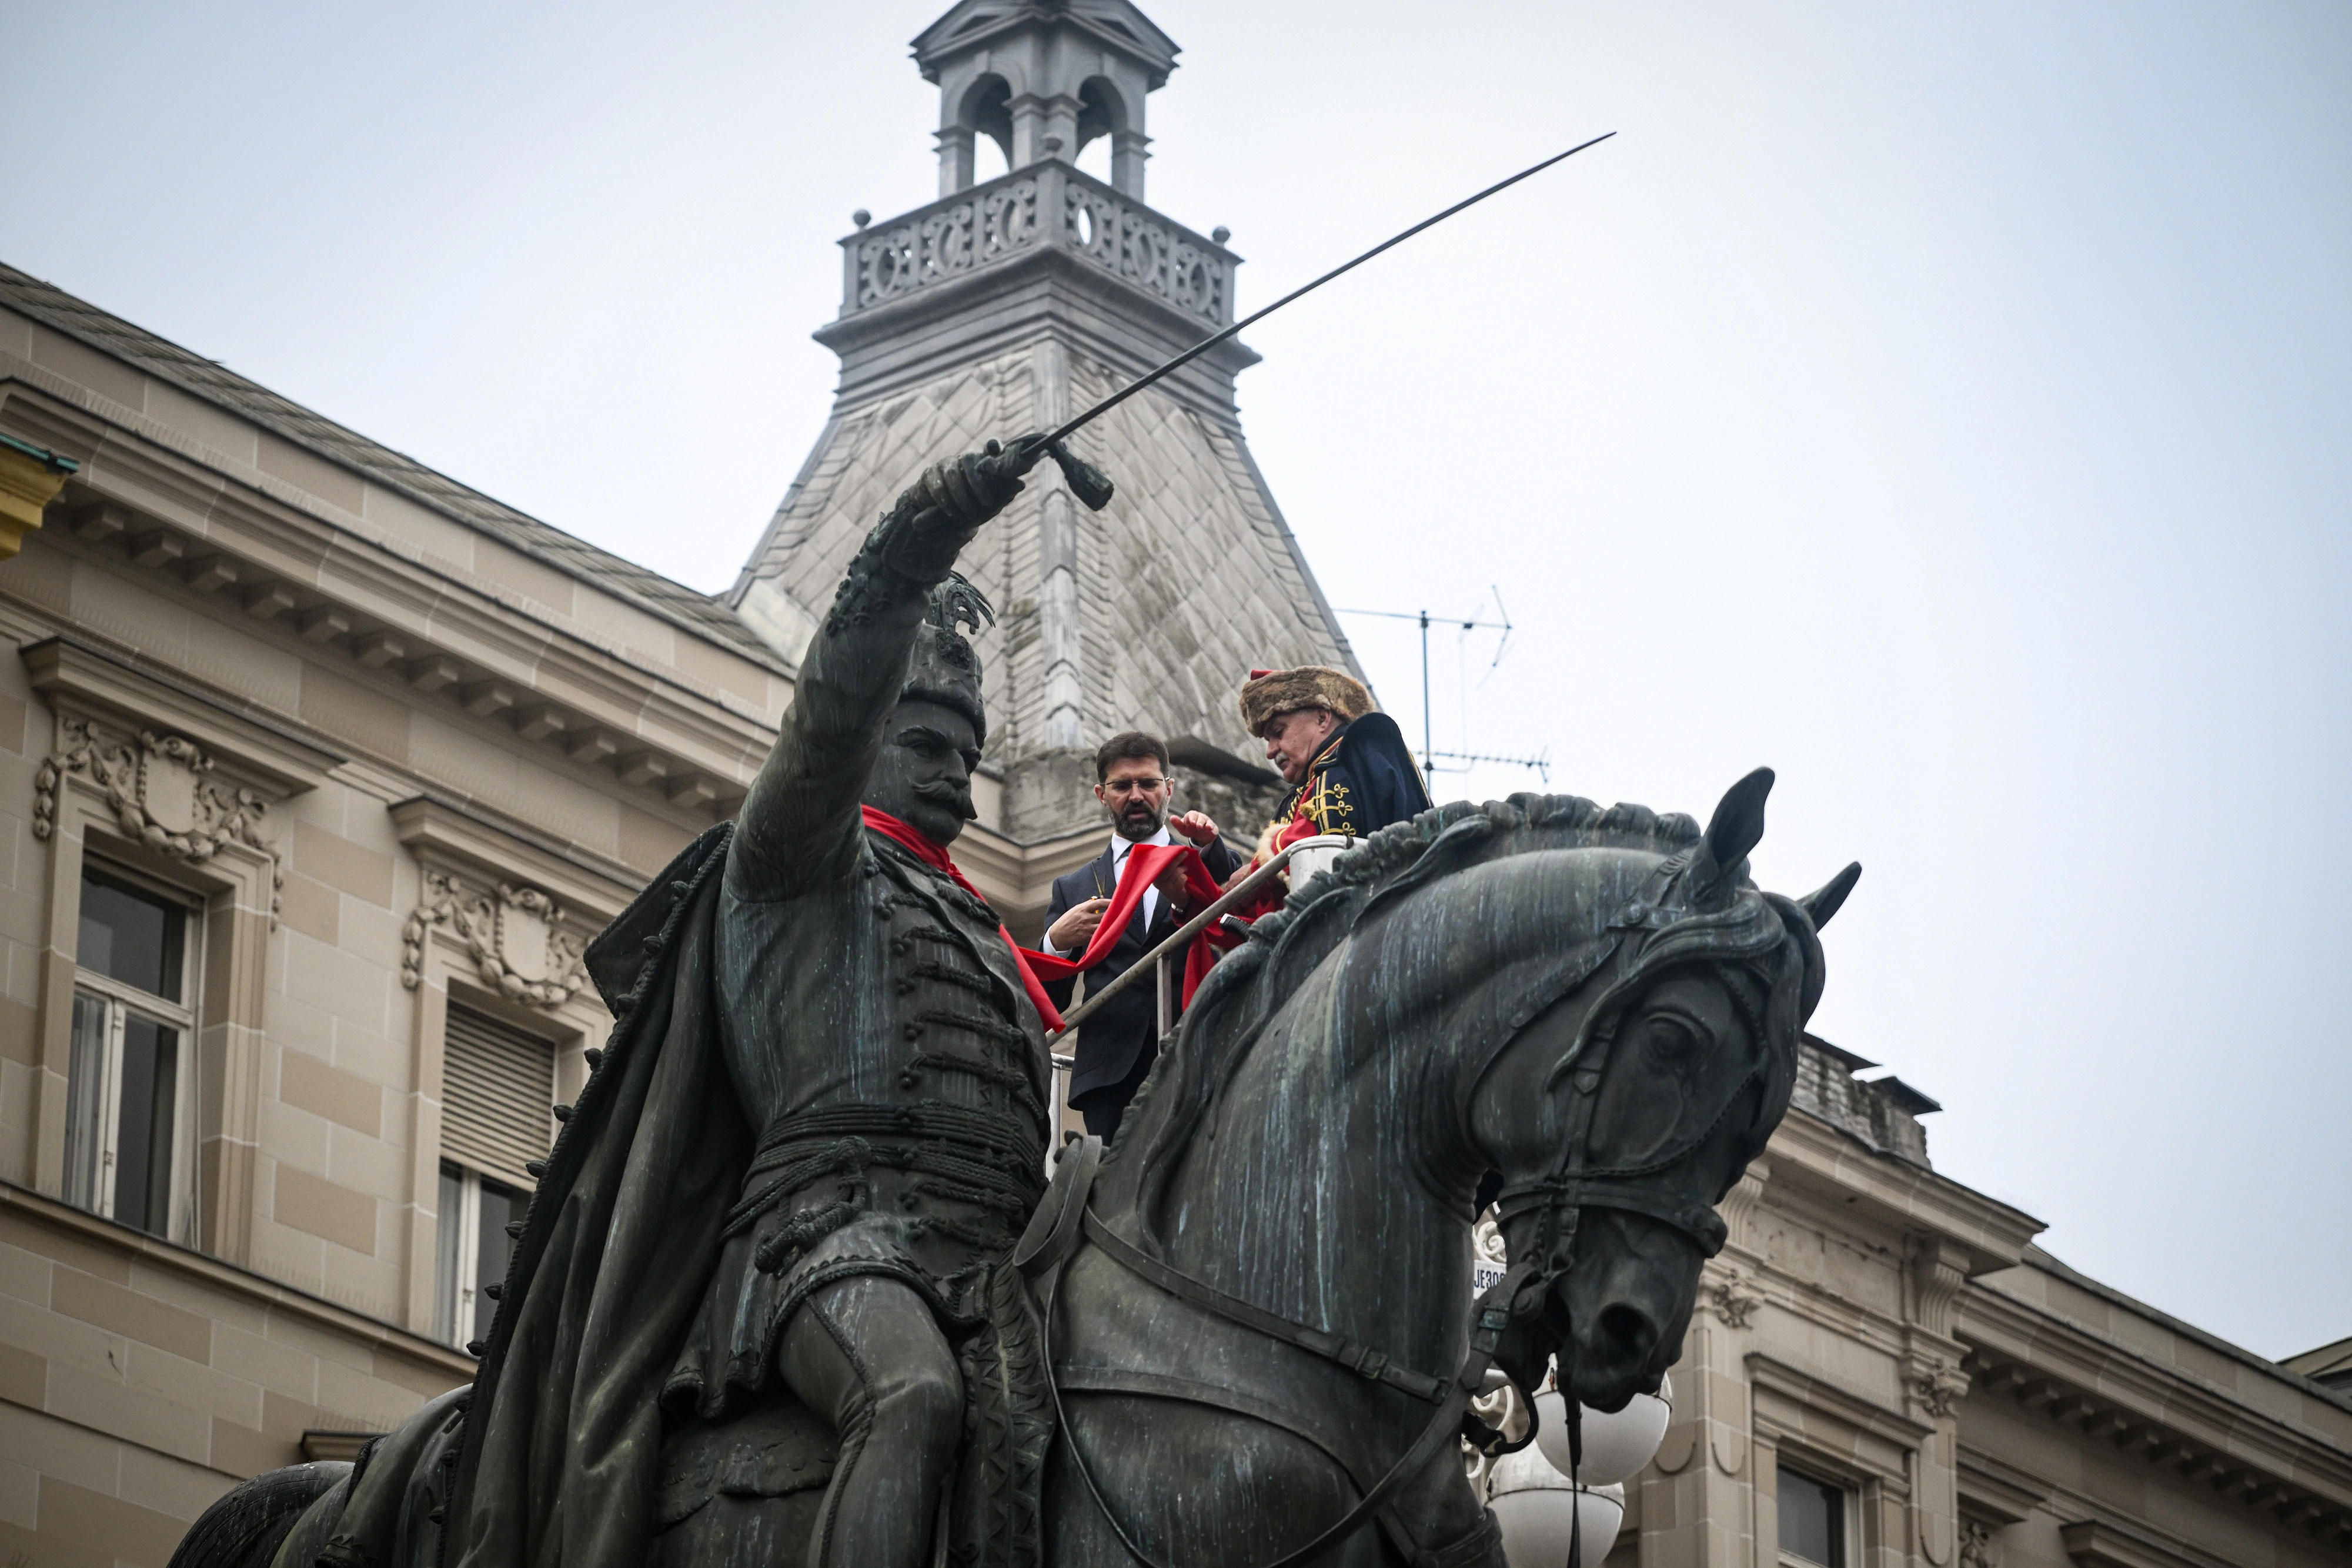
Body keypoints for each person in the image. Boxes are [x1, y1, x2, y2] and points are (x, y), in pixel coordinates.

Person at [443, 441, 1055, 1568]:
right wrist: (918, 536)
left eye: (968, 757)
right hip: (831, 1242)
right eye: (924, 744)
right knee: (910, 1396)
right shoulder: (793, 860)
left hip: (999, 1261)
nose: (956, 785)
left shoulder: (981, 930)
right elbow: (830, 704)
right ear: (858, 746)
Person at [1039, 732, 1242, 1144]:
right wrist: (1055, 941)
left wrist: (1211, 847)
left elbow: (1235, 918)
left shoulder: (1201, 859)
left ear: (1168, 789)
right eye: (1122, 785)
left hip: (1196, 1054)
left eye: (1148, 783)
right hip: (1110, 1073)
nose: (1136, 795)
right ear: (1101, 793)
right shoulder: (1072, 886)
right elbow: (1051, 1001)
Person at [1241, 664, 1433, 847]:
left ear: (1322, 719)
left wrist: (1258, 866)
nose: (1270, 751)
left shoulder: (1361, 752)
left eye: (1278, 732)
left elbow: (1318, 838)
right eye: (1268, 741)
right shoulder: (1302, 790)